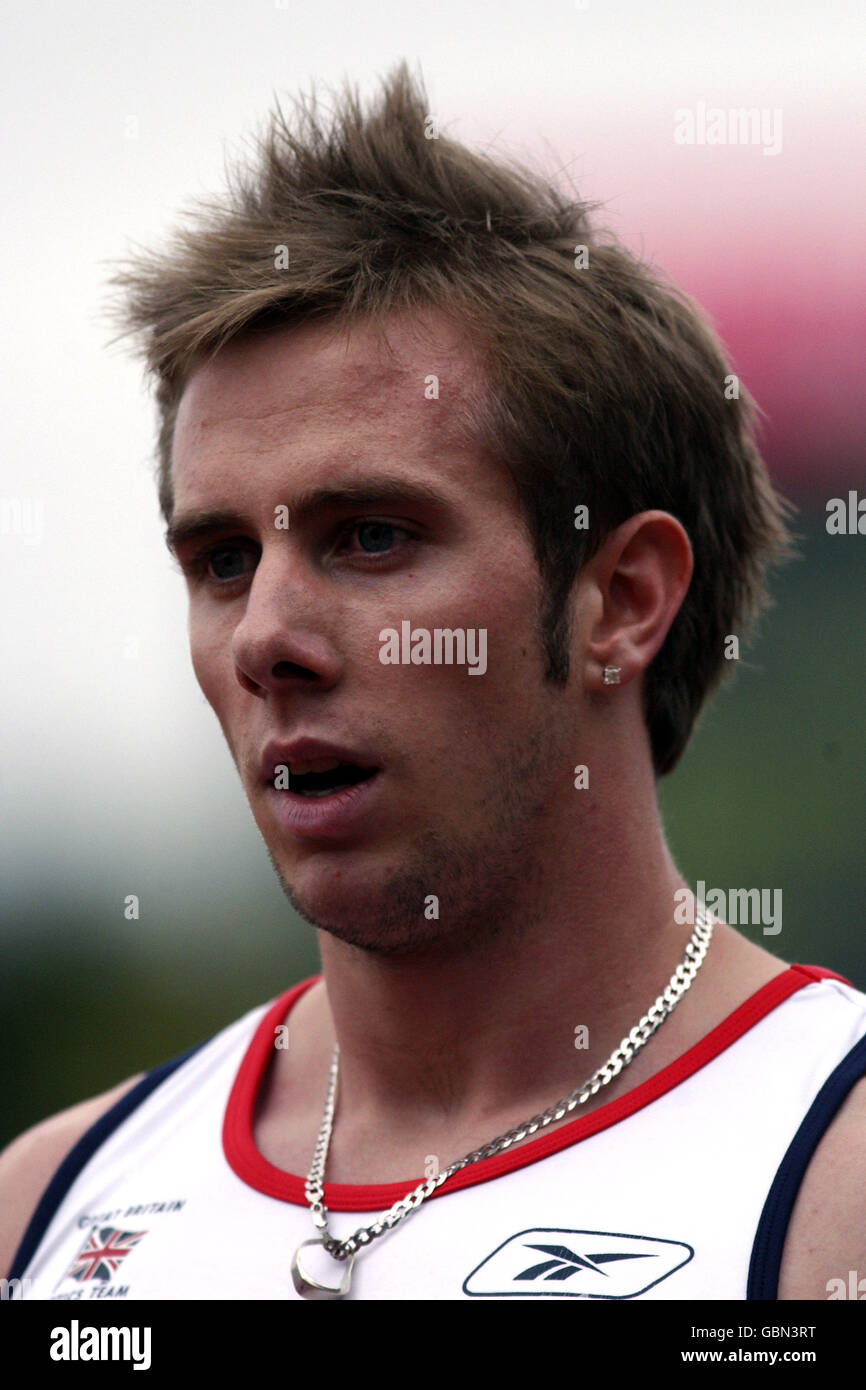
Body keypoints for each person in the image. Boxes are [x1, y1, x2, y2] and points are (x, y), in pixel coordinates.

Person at [2, 62, 864, 1303]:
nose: (265, 638)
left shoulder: (827, 1184)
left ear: (619, 599)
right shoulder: (49, 1204)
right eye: (224, 559)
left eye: (370, 537)